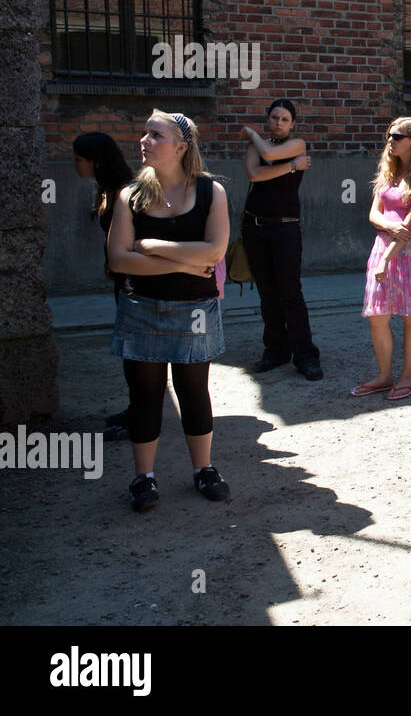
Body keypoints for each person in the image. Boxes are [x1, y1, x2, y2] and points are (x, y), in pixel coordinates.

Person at [106, 110, 231, 512]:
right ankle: (144, 478)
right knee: (145, 394)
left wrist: (150, 246)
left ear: (181, 148)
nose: (144, 140)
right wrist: (185, 260)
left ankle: (204, 469)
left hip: (195, 308)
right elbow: (118, 261)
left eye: (155, 135)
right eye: (144, 132)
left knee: (194, 391)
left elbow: (214, 252)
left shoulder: (212, 192)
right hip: (141, 306)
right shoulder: (131, 195)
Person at [352, 116, 411, 401]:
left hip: (408, 256)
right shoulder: (387, 174)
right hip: (382, 249)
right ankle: (384, 375)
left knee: (410, 317)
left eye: (397, 136)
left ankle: (408, 377)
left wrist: (387, 258)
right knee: (377, 316)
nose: (391, 140)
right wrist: (388, 228)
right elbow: (374, 214)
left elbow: (410, 226)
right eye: (389, 135)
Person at [241, 98, 323, 381]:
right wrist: (292, 166)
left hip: (286, 228)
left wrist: (252, 134)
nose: (278, 122)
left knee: (290, 292)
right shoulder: (263, 149)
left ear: (293, 123)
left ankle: (305, 355)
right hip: (254, 226)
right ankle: (275, 350)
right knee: (267, 292)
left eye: (284, 119)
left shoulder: (297, 144)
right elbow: (254, 173)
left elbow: (269, 157)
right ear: (268, 119)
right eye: (274, 117)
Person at [73, 131, 136, 440]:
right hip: (120, 277)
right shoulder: (106, 189)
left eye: (79, 160)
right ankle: (137, 408)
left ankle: (140, 415)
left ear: (96, 162)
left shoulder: (126, 191)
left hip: (134, 282)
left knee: (136, 350)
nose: (75, 165)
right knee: (129, 349)